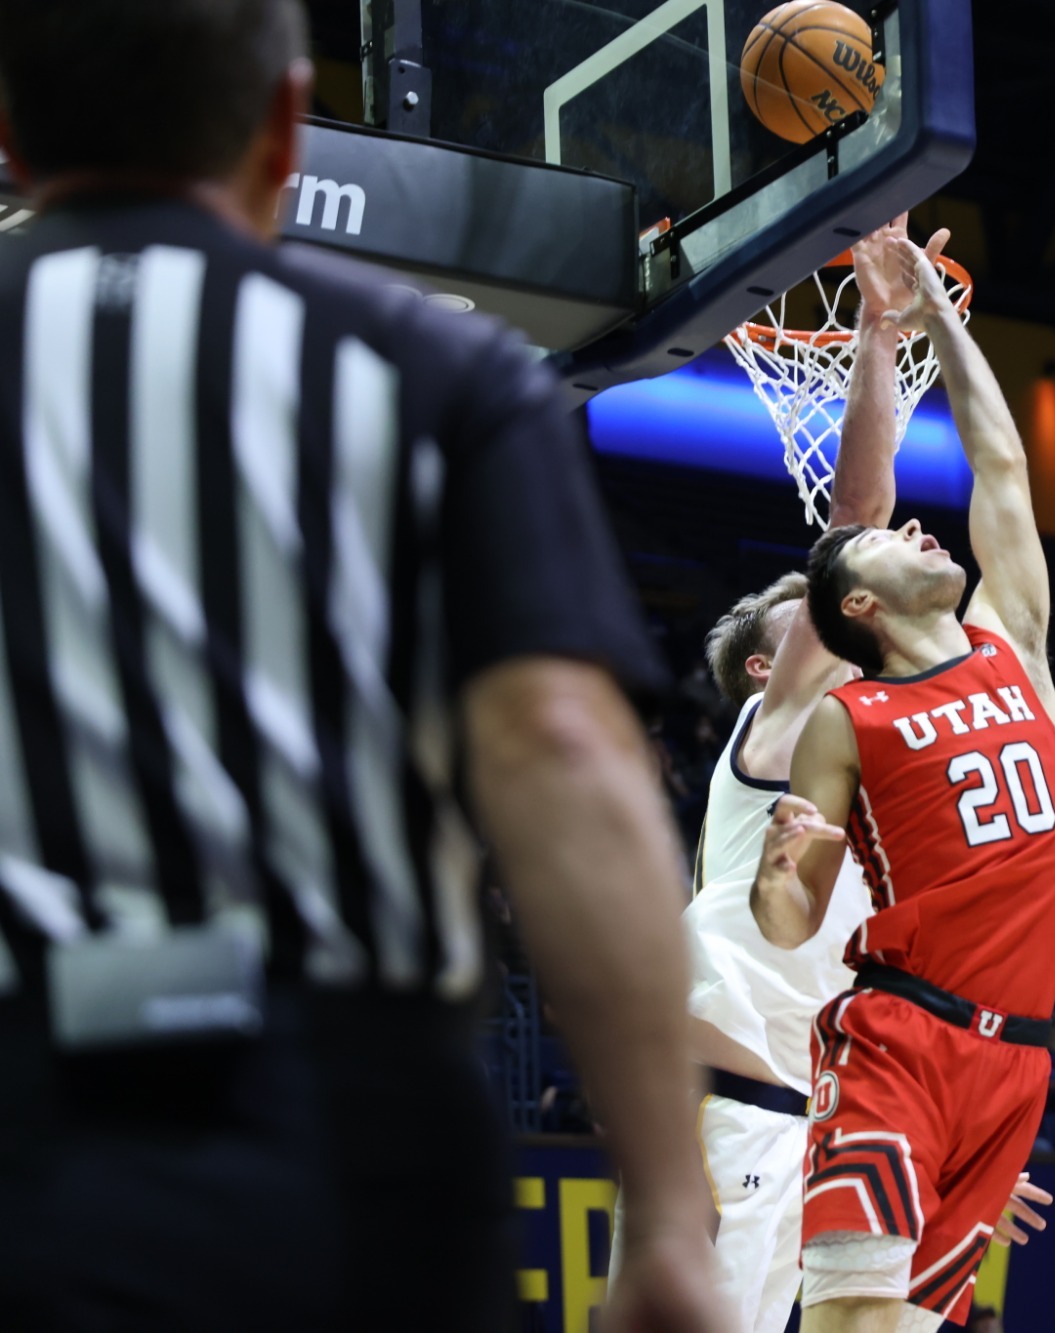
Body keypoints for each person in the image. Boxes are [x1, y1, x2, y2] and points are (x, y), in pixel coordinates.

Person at [0, 3, 722, 1329]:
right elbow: (560, 750)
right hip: (339, 1125)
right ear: (286, 125)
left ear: (10, 133)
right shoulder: (439, 365)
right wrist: (673, 1216)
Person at [612, 220, 1043, 1333]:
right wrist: (873, 339)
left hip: (825, 1108)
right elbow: (849, 519)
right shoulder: (782, 719)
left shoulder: (882, 737)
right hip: (738, 1112)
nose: (808, 612)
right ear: (770, 663)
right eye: (795, 611)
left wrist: (957, 1123)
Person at [751, 239, 1055, 1331]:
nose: (919, 530)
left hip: (1017, 1065)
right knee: (853, 1320)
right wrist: (773, 879)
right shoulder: (848, 720)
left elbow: (1001, 469)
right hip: (902, 1039)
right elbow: (793, 915)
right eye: (891, 538)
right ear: (858, 606)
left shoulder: (1011, 644)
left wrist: (935, 310)